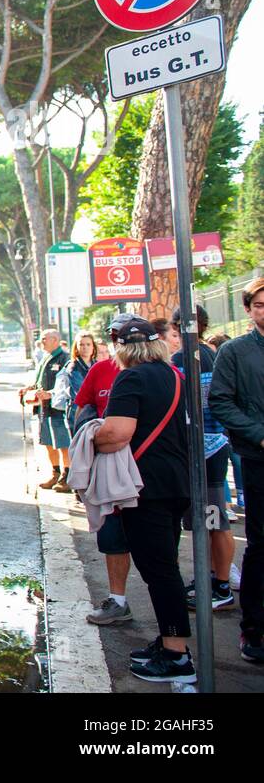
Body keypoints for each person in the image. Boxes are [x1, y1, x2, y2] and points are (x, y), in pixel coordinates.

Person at [94, 316, 196, 684]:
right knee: (164, 566)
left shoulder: (132, 378)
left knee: (160, 571)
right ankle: (170, 642)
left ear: (121, 347)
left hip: (145, 488)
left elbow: (117, 433)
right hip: (174, 483)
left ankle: (176, 653)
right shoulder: (173, 375)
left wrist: (91, 439)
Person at [208, 276, 264, 664]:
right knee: (260, 547)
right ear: (248, 309)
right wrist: (259, 435)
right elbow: (221, 402)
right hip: (258, 458)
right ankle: (255, 630)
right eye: (259, 304)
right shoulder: (235, 352)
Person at [168, 305, 236, 610]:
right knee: (212, 519)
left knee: (211, 520)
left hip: (201, 450)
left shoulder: (182, 360)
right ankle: (213, 579)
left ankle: (221, 585)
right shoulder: (213, 353)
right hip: (216, 445)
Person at [80, 319, 133, 626]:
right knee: (113, 538)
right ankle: (118, 600)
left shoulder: (169, 374)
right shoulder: (100, 370)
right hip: (109, 472)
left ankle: (167, 613)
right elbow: (83, 412)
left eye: (124, 339)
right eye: (116, 339)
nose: (120, 345)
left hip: (151, 473)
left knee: (157, 550)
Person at [19, 329, 71, 492]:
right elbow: (41, 379)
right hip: (44, 408)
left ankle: (67, 476)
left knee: (63, 444)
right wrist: (30, 388)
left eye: (44, 339)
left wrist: (50, 394)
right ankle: (55, 473)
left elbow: (65, 384)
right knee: (48, 443)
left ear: (55, 340)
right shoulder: (46, 357)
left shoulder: (64, 359)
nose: (42, 342)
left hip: (57, 408)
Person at [207, 332, 245, 514]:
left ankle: (228, 505)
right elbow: (220, 401)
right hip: (226, 436)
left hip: (220, 438)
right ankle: (227, 505)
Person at [61, 332, 98, 437]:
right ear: (76, 347)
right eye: (81, 344)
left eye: (88, 344)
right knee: (79, 448)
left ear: (93, 347)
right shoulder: (73, 366)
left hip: (95, 411)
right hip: (76, 412)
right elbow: (82, 391)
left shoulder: (97, 364)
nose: (85, 347)